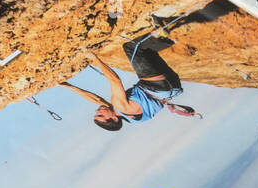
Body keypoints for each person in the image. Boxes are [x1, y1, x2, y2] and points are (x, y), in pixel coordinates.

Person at [59, 32, 187, 130]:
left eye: (97, 114)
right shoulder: (120, 106)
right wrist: (94, 58)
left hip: (172, 88)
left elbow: (97, 100)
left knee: (148, 53)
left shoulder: (132, 119)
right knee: (131, 47)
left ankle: (172, 36)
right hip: (156, 86)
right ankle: (166, 35)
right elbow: (115, 80)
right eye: (101, 115)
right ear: (114, 119)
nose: (97, 111)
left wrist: (69, 86)